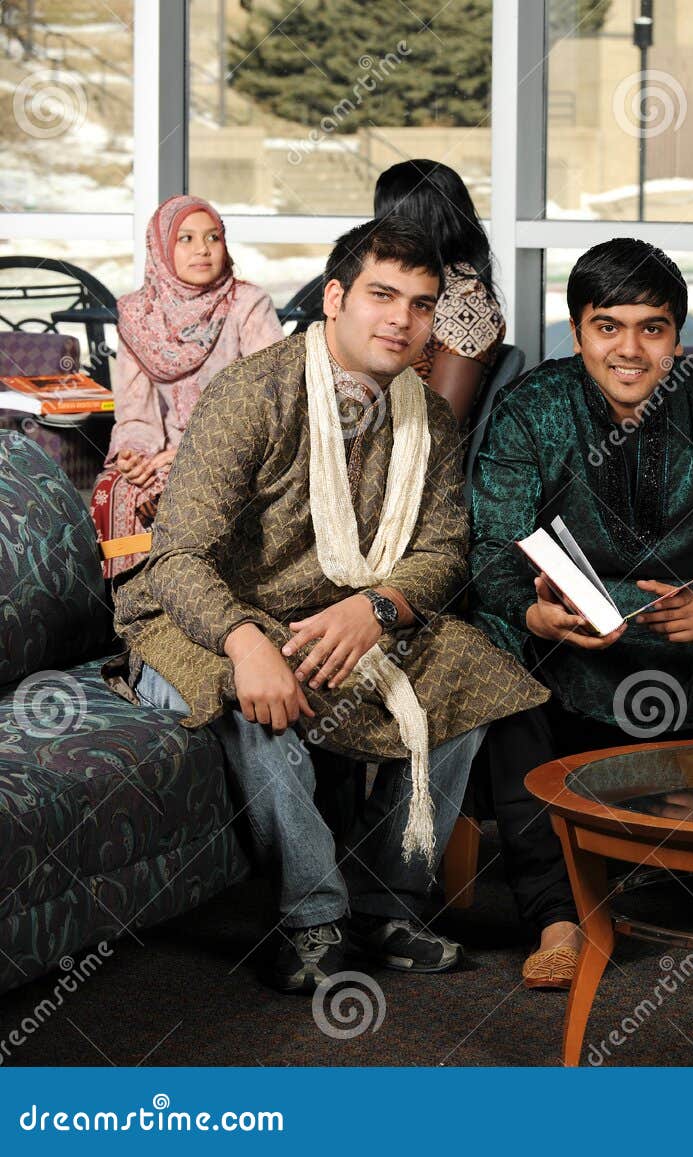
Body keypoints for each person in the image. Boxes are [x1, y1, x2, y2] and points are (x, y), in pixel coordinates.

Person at [111, 217, 547, 995]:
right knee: (260, 693)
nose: (401, 319)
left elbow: (443, 549)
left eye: (420, 304)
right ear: (336, 298)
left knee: (472, 666)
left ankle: (389, 902)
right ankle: (313, 919)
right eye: (382, 295)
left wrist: (377, 606)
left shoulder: (426, 416)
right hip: (205, 615)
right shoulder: (253, 394)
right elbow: (177, 557)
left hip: (342, 617)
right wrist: (244, 639)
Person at [470, 238, 693, 990]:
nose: (630, 350)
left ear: (678, 335)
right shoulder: (531, 407)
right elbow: (492, 548)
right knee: (495, 640)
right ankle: (557, 917)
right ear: (577, 331)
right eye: (608, 327)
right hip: (578, 652)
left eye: (652, 328)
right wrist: (533, 615)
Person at [92, 194, 283, 579]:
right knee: (118, 490)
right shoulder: (138, 315)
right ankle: (135, 601)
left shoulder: (247, 304)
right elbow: (135, 412)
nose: (203, 250)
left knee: (186, 493)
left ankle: (194, 594)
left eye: (213, 237)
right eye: (186, 239)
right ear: (161, 248)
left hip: (236, 448)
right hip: (161, 453)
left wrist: (189, 453)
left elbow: (273, 401)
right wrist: (134, 456)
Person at [373, 159, 504, 426]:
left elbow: (439, 426)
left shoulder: (465, 300)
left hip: (410, 446)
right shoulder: (414, 285)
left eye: (384, 218)